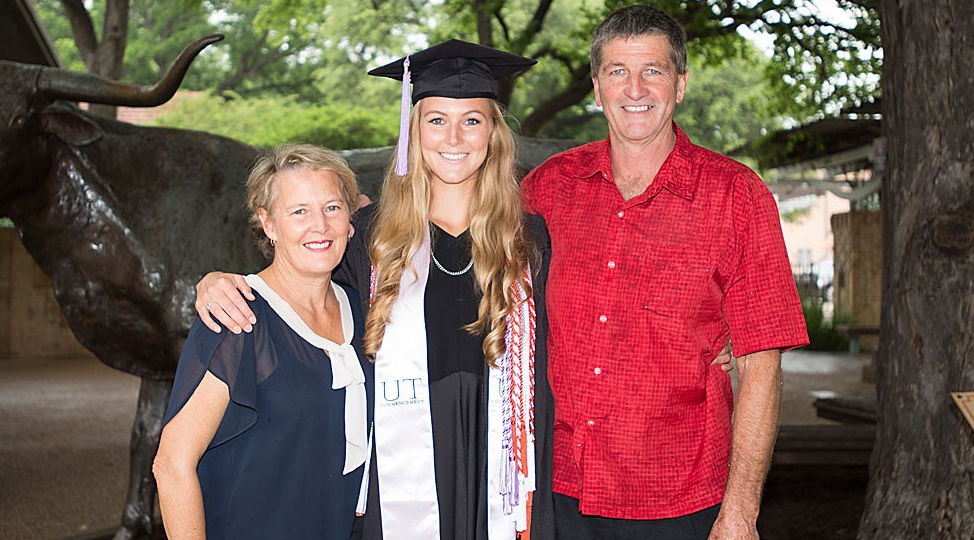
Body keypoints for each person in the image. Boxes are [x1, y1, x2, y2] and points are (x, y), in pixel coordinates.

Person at [196, 40, 555, 540]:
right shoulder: (370, 236)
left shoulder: (529, 240)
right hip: (401, 468)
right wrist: (215, 281)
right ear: (413, 131)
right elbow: (300, 288)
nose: (454, 137)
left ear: (493, 133)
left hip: (497, 469)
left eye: (472, 120)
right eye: (436, 120)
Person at [519, 4, 809, 540]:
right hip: (556, 491)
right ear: (597, 87)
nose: (635, 89)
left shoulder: (736, 196)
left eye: (653, 70)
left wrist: (740, 514)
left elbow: (761, 364)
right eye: (618, 71)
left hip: (680, 497)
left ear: (680, 85)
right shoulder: (549, 187)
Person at [153, 144, 372, 540]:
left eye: (332, 207)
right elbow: (172, 465)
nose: (320, 226)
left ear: (350, 219)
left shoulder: (364, 309)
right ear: (268, 223)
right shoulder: (237, 316)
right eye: (299, 211)